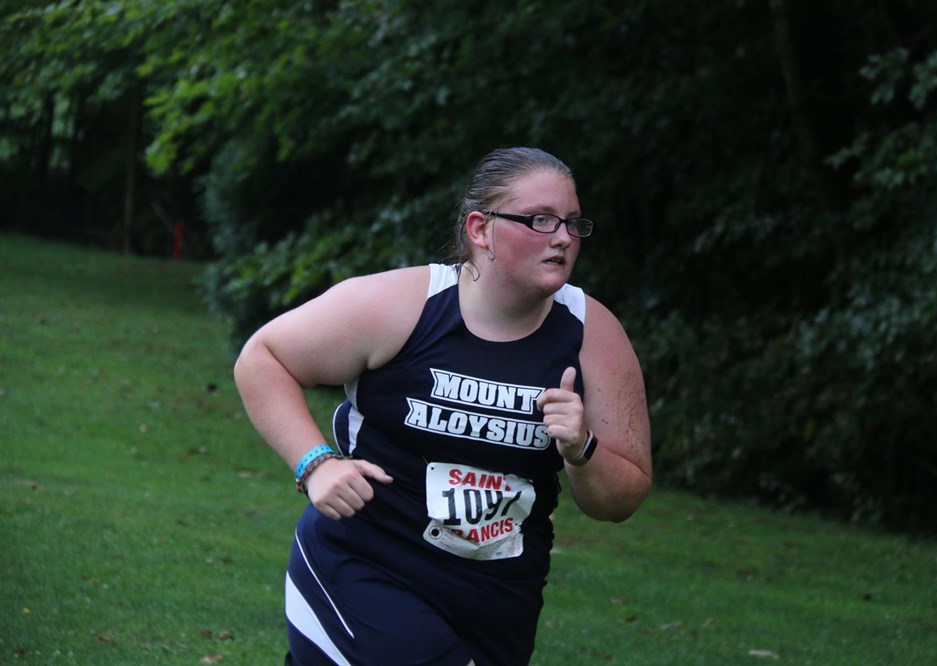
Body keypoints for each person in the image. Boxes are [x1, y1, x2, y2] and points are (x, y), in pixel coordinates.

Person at [233, 146, 652, 665]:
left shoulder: (594, 333)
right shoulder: (401, 305)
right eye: (539, 220)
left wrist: (581, 449)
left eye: (571, 222)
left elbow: (622, 498)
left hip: (498, 598)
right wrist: (314, 462)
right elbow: (262, 358)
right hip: (366, 567)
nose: (563, 237)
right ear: (480, 229)